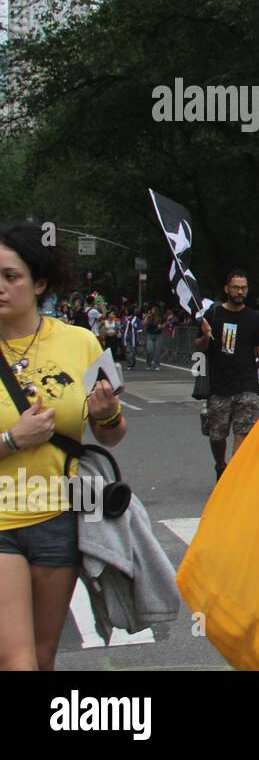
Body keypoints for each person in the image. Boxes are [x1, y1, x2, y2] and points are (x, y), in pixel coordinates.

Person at [0, 224, 126, 671]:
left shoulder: (82, 342)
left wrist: (107, 412)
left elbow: (110, 434)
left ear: (38, 283)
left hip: (63, 518)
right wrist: (13, 440)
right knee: (15, 660)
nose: (0, 287)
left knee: (41, 657)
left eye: (10, 276)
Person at [192, 271, 259, 479]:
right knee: (217, 436)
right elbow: (198, 348)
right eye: (236, 287)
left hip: (247, 386)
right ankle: (221, 465)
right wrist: (206, 336)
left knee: (243, 433)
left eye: (243, 288)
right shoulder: (213, 315)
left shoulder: (254, 318)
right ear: (227, 289)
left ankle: (233, 477)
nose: (240, 291)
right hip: (219, 387)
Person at [142, 305, 163, 371]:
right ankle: (148, 364)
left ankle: (157, 365)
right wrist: (147, 316)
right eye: (151, 310)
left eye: (153, 310)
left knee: (157, 351)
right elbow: (143, 323)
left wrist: (161, 326)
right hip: (150, 334)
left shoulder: (160, 317)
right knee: (149, 350)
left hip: (158, 335)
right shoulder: (149, 317)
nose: (152, 311)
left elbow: (164, 324)